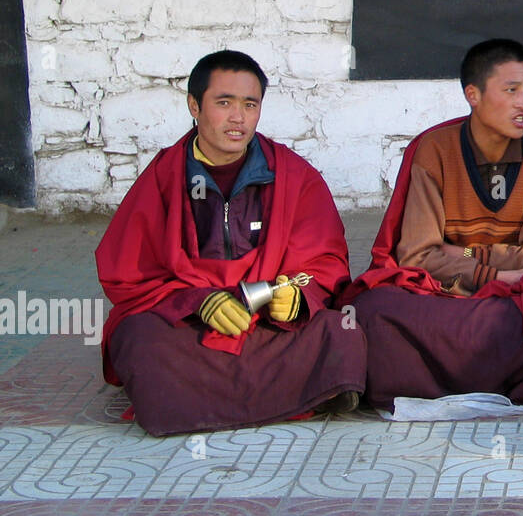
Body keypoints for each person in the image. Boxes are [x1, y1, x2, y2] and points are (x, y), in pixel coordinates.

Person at [343, 39, 523, 419]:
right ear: (473, 95)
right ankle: (519, 382)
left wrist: (459, 253)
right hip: (446, 299)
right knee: (371, 310)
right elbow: (415, 256)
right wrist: (498, 273)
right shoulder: (434, 150)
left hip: (518, 301)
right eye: (511, 90)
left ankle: (440, 381)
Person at [96, 50, 366, 436]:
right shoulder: (164, 176)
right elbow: (128, 274)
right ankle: (298, 395)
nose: (238, 118)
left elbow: (324, 262)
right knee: (138, 338)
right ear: (194, 104)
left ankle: (200, 401)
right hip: (190, 323)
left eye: (249, 105)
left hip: (265, 320)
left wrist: (297, 297)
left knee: (343, 330)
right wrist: (197, 300)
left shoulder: (292, 175)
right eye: (224, 103)